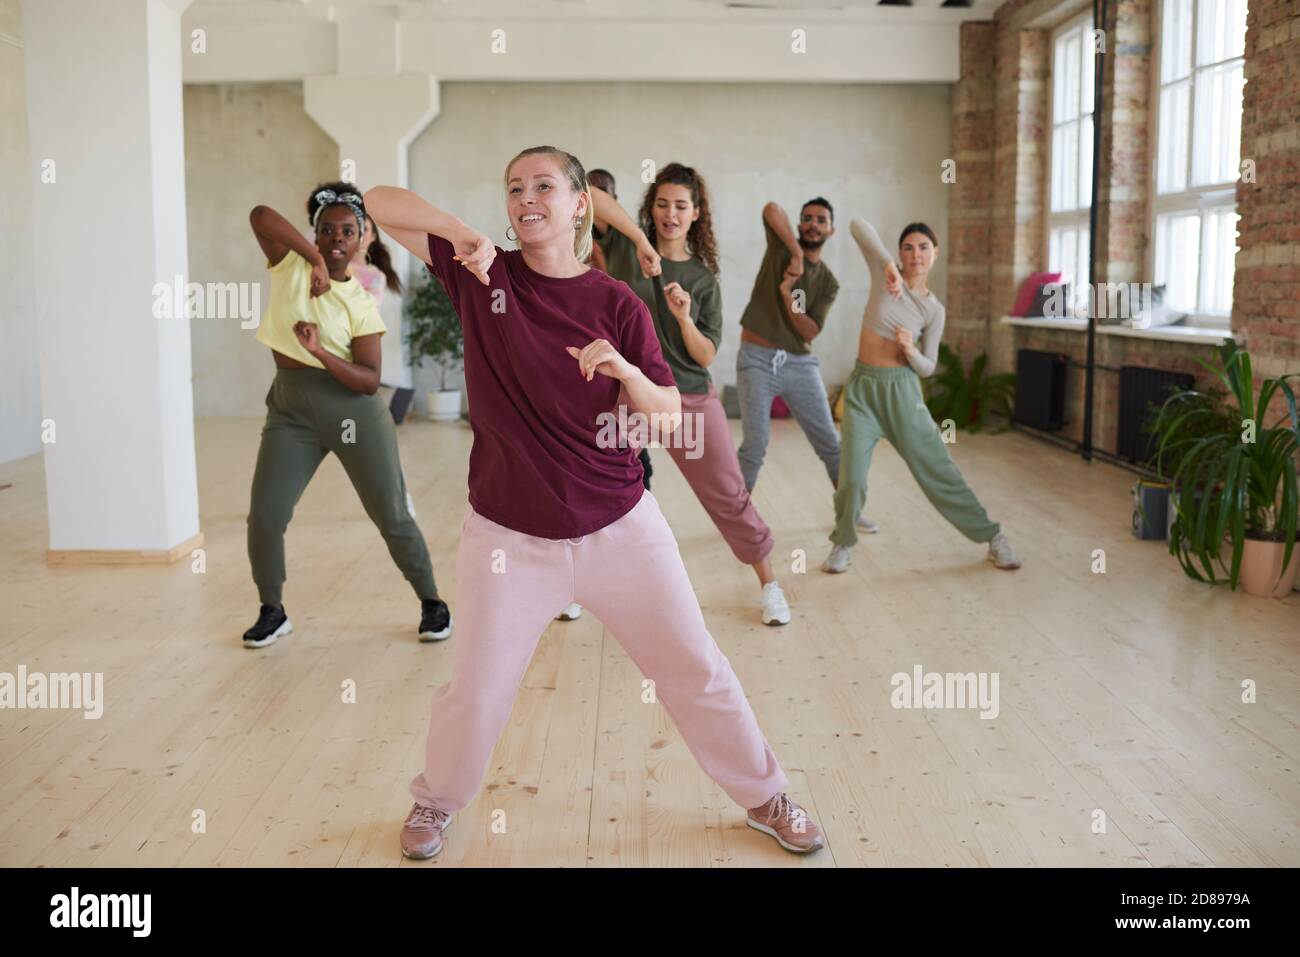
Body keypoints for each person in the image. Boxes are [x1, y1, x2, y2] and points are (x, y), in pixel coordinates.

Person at [364, 146, 824, 860]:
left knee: (693, 665)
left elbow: (669, 411)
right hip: (507, 538)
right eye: (514, 186)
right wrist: (459, 233)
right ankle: (436, 800)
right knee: (478, 687)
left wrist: (625, 371)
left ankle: (767, 795)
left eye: (545, 185)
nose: (526, 198)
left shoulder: (615, 301)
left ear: (580, 203)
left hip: (620, 527)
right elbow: (378, 199)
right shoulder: (481, 273)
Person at [241, 182, 453, 648]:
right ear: (314, 235)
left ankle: (432, 602)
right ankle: (272, 610)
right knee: (265, 515)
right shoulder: (288, 266)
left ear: (362, 240)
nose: (337, 238)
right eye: (327, 230)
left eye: (347, 231)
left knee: (391, 513)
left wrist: (318, 352)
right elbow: (260, 212)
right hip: (290, 411)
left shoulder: (360, 301)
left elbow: (369, 379)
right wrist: (312, 260)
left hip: (353, 412)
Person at [590, 162, 792, 625]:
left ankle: (770, 584)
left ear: (696, 214)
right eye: (661, 204)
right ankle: (585, 585)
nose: (670, 214)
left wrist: (682, 317)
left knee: (728, 495)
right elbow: (588, 193)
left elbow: (704, 356)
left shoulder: (702, 278)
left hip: (688, 402)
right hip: (630, 395)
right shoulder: (623, 246)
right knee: (596, 485)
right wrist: (640, 242)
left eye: (681, 206)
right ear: (650, 209)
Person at [822, 219, 1021, 574]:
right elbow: (857, 227)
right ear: (901, 253)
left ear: (935, 254)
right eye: (909, 248)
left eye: (924, 248)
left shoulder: (934, 310)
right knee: (851, 476)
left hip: (902, 392)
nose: (916, 255)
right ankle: (843, 542)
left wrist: (910, 350)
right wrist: (887, 267)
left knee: (938, 470)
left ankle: (992, 537)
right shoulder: (886, 278)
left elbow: (928, 366)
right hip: (863, 391)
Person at [735, 197, 879, 534]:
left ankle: (850, 512)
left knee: (830, 441)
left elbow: (811, 330)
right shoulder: (781, 249)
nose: (813, 224)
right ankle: (738, 519)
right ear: (800, 225)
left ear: (831, 230)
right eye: (808, 218)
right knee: (755, 443)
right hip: (756, 359)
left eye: (821, 220)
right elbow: (771, 208)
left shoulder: (828, 282)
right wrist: (796, 255)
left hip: (799, 363)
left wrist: (788, 295)